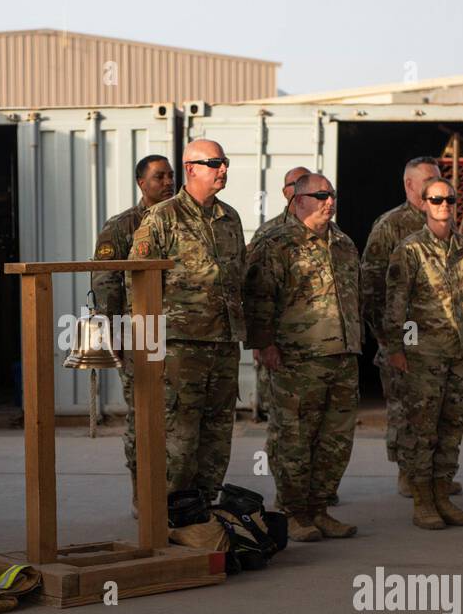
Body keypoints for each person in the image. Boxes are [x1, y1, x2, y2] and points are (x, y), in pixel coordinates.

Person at [244, 173, 359, 540]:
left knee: (335, 439)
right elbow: (259, 298)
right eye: (320, 195)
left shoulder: (342, 242)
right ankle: (293, 513)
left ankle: (319, 508)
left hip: (342, 355)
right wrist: (265, 345)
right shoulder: (277, 242)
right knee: (295, 437)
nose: (329, 201)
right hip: (297, 358)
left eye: (332, 195)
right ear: (297, 200)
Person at [131, 139, 245, 500]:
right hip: (180, 348)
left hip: (223, 345)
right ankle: (169, 518)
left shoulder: (230, 218)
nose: (223, 169)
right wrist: (146, 347)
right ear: (191, 168)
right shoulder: (162, 218)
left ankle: (204, 511)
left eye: (224, 162)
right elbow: (138, 282)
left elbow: (239, 275)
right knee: (179, 438)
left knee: (217, 435)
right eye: (215, 163)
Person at [362, 156, 461, 498]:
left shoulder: (445, 221)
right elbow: (372, 287)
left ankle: (434, 476)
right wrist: (389, 342)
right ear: (409, 185)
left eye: (438, 179)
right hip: (405, 339)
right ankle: (408, 474)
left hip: (440, 342)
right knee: (406, 411)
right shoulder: (390, 226)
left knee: (437, 413)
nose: (436, 188)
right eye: (428, 180)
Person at [385, 178, 463, 530]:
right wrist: (397, 348)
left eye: (450, 199)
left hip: (461, 353)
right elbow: (397, 304)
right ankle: (423, 500)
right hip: (424, 355)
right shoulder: (409, 250)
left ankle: (443, 496)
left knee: (453, 427)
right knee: (422, 430)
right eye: (436, 199)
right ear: (423, 204)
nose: (444, 205)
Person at [91, 154, 175, 517]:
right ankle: (144, 494)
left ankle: (178, 496)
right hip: (139, 333)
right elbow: (105, 280)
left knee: (178, 419)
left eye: (171, 175)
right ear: (142, 183)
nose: (168, 182)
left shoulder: (184, 221)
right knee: (143, 416)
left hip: (179, 334)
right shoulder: (123, 225)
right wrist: (115, 334)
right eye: (159, 177)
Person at [250, 166, 310, 424]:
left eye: (304, 182)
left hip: (312, 342)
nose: (298, 188)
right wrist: (259, 339)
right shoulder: (268, 233)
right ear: (285, 192)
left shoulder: (326, 232)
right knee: (281, 417)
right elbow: (254, 289)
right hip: (279, 342)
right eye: (293, 183)